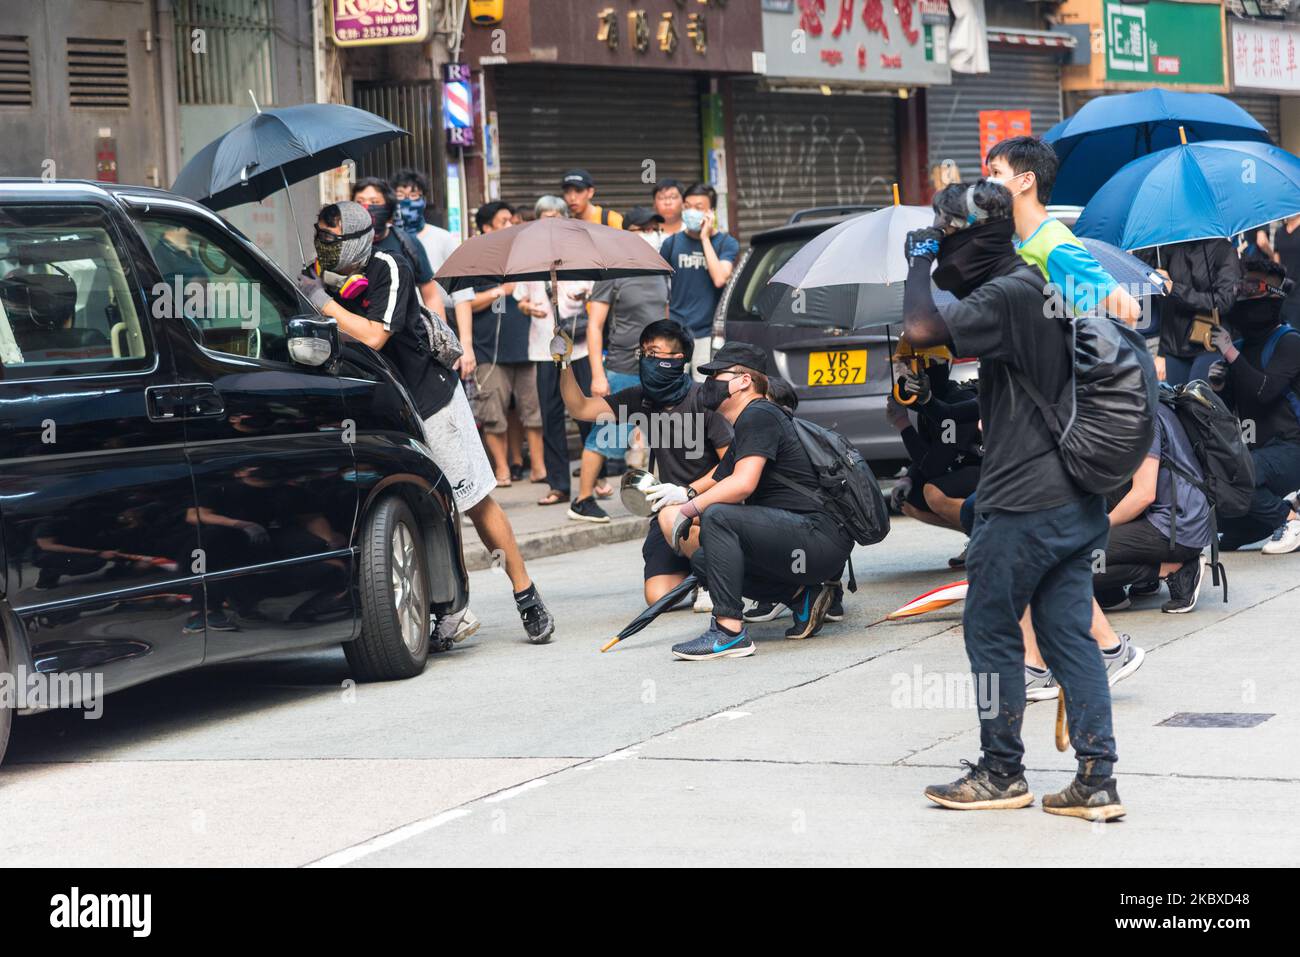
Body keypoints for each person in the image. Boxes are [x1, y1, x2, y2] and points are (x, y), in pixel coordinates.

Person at [904, 180, 1124, 821]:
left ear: (969, 235)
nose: (941, 249)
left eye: (944, 236)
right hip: (1072, 497)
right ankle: (1095, 781)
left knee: (991, 631)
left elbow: (922, 326)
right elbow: (1020, 390)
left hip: (1023, 500)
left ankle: (1002, 772)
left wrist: (917, 263)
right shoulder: (1038, 287)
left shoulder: (1008, 293)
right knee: (1067, 635)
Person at [298, 200, 555, 645]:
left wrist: (323, 303)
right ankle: (452, 611)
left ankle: (525, 593)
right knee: (425, 507)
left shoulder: (387, 267)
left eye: (333, 238)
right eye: (320, 235)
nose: (325, 245)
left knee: (472, 499)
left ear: (359, 238)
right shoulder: (319, 277)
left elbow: (377, 334)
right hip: (383, 409)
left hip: (431, 398)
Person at [656, 342, 855, 659]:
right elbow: (720, 479)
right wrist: (685, 494)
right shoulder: (751, 421)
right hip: (806, 541)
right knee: (705, 561)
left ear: (743, 380)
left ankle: (729, 632)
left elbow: (742, 484)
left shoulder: (759, 414)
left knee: (718, 516)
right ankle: (800, 595)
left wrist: (688, 509)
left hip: (819, 537)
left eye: (716, 375)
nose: (709, 384)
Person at [560, 320, 732, 607]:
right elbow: (581, 407)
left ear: (678, 360)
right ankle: (702, 569)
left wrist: (687, 491)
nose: (647, 360)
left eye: (654, 353)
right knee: (658, 596)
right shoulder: (641, 399)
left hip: (710, 503)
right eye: (643, 354)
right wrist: (563, 363)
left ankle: (710, 578)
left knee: (676, 516)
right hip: (669, 510)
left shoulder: (704, 399)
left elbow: (731, 464)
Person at [566, 206, 671, 523]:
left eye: (655, 227)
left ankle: (656, 495)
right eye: (645, 228)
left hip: (657, 370)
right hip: (624, 366)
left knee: (662, 434)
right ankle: (582, 500)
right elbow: (595, 326)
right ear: (628, 233)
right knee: (606, 434)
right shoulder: (612, 273)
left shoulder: (659, 270)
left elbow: (664, 319)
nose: (652, 233)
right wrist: (598, 373)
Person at [985, 136, 1142, 324]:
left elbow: (1129, 310)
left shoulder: (1055, 245)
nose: (988, 182)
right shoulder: (1024, 242)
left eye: (996, 173)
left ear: (1026, 181)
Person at [448, 201, 542, 487]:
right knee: (493, 414)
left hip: (526, 347)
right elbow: (466, 302)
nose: (510, 225)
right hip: (489, 350)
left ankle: (539, 468)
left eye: (511, 220)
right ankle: (501, 470)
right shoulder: (474, 260)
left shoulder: (524, 258)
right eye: (503, 221)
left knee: (532, 412)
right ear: (487, 227)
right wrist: (500, 291)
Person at [1210, 256, 1300, 554]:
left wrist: (1230, 354)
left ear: (1273, 297)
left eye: (1252, 287)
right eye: (1241, 286)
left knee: (1238, 474)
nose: (1243, 294)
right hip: (1258, 452)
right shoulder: (1239, 348)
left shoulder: (1290, 342)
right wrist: (1219, 386)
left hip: (1291, 449)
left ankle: (1288, 519)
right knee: (1221, 504)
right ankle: (1270, 516)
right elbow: (1228, 409)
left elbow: (1264, 391)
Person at [1091, 392, 1212, 612]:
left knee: (1076, 557)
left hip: (1178, 526)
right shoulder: (1144, 402)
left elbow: (1144, 494)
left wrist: (1099, 527)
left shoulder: (1143, 418)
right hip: (1172, 517)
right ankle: (1111, 592)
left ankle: (1174, 570)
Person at [520, 195, 604, 506]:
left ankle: (596, 479)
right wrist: (529, 307)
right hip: (544, 351)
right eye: (545, 217)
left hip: (578, 349)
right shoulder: (528, 261)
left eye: (556, 217)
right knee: (551, 416)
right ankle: (559, 484)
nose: (550, 224)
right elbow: (520, 299)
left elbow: (596, 301)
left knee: (586, 414)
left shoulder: (578, 258)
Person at [1137, 238, 1241, 386]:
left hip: (1209, 343)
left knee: (1198, 405)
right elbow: (1161, 296)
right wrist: (1162, 352)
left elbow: (1224, 301)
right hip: (1175, 346)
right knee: (1177, 406)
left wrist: (1176, 290)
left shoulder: (1224, 249)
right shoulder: (1168, 247)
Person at [661, 183, 739, 377]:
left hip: (707, 333)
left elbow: (720, 279)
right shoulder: (671, 244)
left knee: (703, 390)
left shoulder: (726, 243)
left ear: (711, 212)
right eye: (687, 206)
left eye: (698, 207)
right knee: (672, 388)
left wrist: (705, 239)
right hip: (676, 332)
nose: (690, 212)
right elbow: (661, 287)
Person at [351, 177, 443, 316]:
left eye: (374, 202)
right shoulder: (345, 245)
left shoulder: (408, 244)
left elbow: (431, 296)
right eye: (360, 202)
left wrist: (441, 334)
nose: (366, 207)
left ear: (388, 208)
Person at [391, 167, 458, 311]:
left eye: (414, 195)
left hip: (440, 316)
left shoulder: (443, 238)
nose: (407, 201)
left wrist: (465, 334)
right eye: (400, 195)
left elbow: (461, 292)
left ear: (424, 200)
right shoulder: (387, 239)